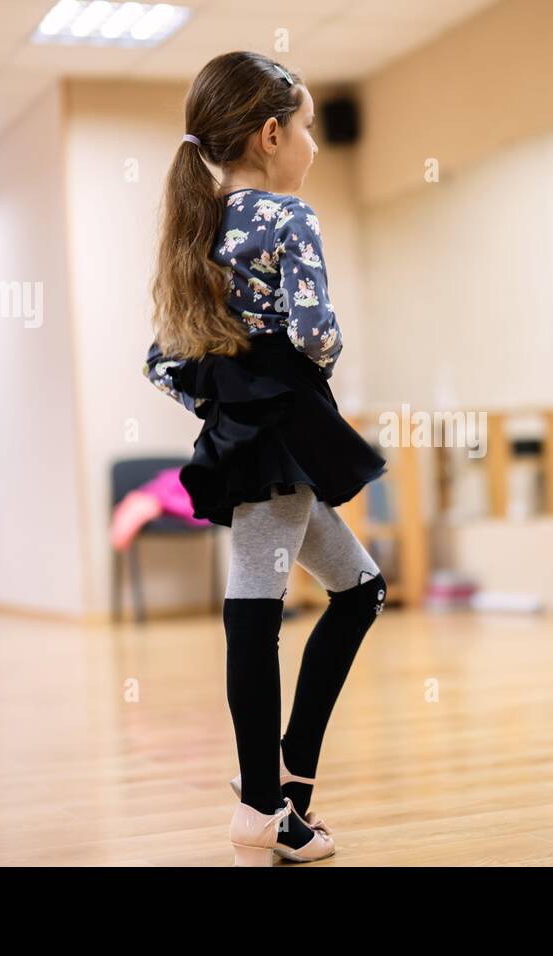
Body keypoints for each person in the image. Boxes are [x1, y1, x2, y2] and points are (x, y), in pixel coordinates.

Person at [145, 51, 388, 865]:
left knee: (358, 590)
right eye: (310, 129)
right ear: (273, 134)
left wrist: (230, 402)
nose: (315, 147)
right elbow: (319, 335)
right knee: (258, 606)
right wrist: (286, 385)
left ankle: (287, 780)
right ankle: (263, 805)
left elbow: (161, 363)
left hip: (244, 433)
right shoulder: (290, 216)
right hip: (282, 431)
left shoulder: (197, 224)